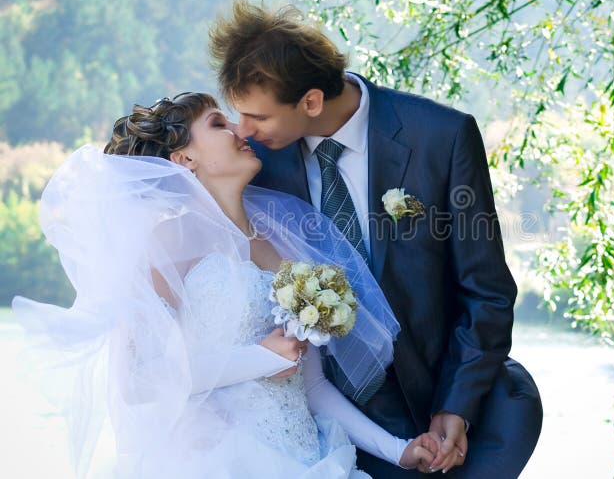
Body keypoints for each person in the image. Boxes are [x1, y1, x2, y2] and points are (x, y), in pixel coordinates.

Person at [12, 93, 440, 478]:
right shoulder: (167, 241)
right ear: (185, 160)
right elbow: (138, 382)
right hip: (221, 459)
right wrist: (257, 357)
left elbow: (311, 387)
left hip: (309, 459)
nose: (239, 129)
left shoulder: (282, 244)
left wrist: (399, 450)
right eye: (218, 123)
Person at [209, 0, 544, 478]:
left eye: (256, 117)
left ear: (310, 101)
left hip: (451, 408)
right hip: (329, 430)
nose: (244, 131)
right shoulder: (258, 163)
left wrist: (457, 405)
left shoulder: (442, 138)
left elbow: (486, 291)